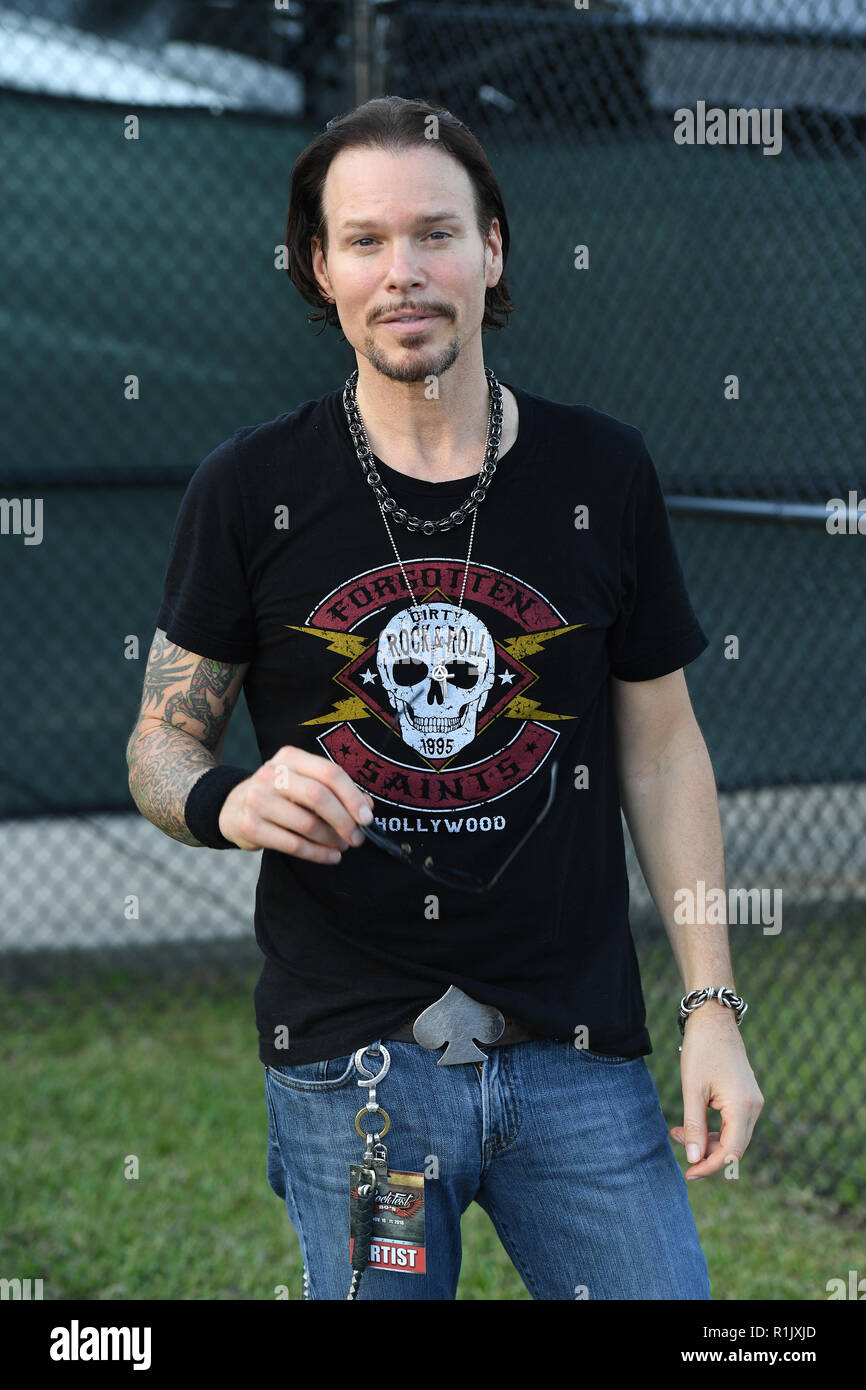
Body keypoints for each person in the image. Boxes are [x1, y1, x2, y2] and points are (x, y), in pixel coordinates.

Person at [126, 95, 763, 1301]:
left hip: (576, 1049)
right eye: (363, 240)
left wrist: (711, 1005)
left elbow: (663, 755)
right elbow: (162, 738)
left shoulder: (599, 470)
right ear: (320, 266)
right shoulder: (247, 487)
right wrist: (226, 798)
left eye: (434, 233)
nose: (401, 272)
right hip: (357, 1064)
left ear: (493, 249)